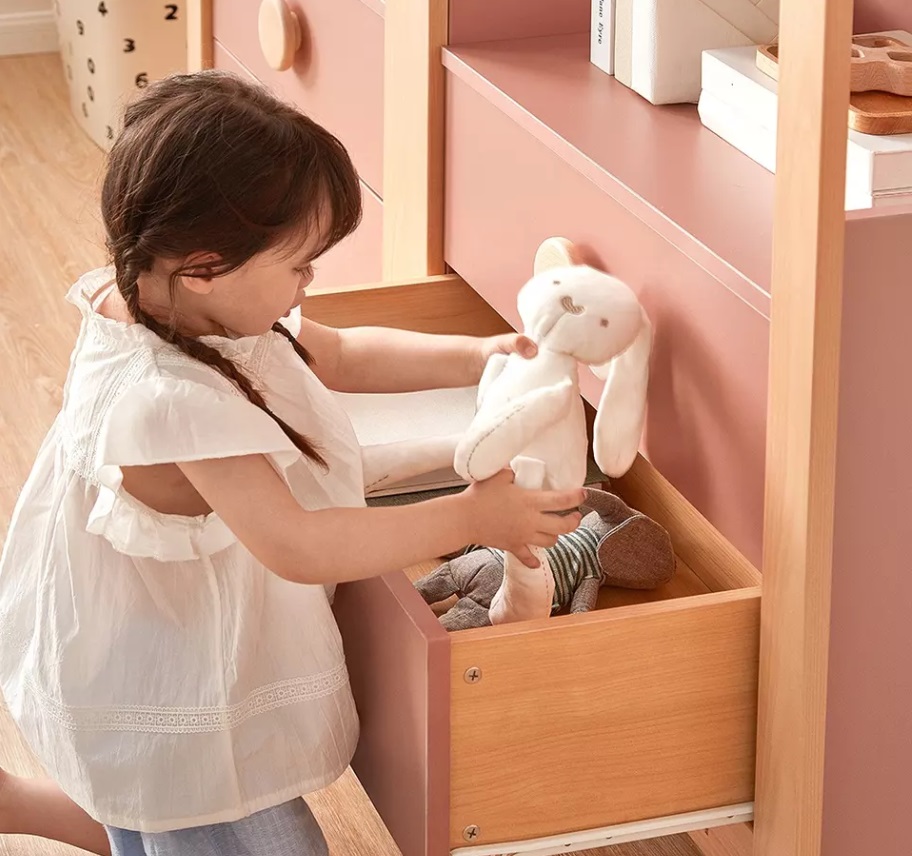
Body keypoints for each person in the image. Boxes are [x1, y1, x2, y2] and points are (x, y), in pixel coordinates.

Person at [0, 70, 584, 856]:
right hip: (176, 674)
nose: (311, 282)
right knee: (214, 818)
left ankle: (30, 807)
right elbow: (299, 544)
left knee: (164, 821)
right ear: (207, 265)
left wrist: (478, 354)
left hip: (138, 627)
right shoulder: (176, 400)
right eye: (301, 265)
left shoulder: (167, 291)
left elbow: (341, 354)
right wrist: (469, 516)